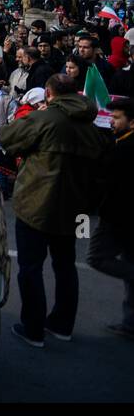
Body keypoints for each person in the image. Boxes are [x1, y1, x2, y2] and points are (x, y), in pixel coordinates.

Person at [0, 75, 111, 348]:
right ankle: (62, 324)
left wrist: (34, 117)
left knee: (30, 268)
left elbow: (7, 137)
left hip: (36, 203)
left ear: (48, 93)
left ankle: (33, 328)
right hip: (73, 207)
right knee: (65, 266)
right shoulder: (93, 127)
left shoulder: (46, 118)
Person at [88, 96, 134, 340]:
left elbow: (106, 177)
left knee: (96, 257)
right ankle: (130, 324)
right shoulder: (120, 142)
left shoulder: (124, 148)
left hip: (117, 216)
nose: (112, 122)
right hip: (121, 215)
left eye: (117, 118)